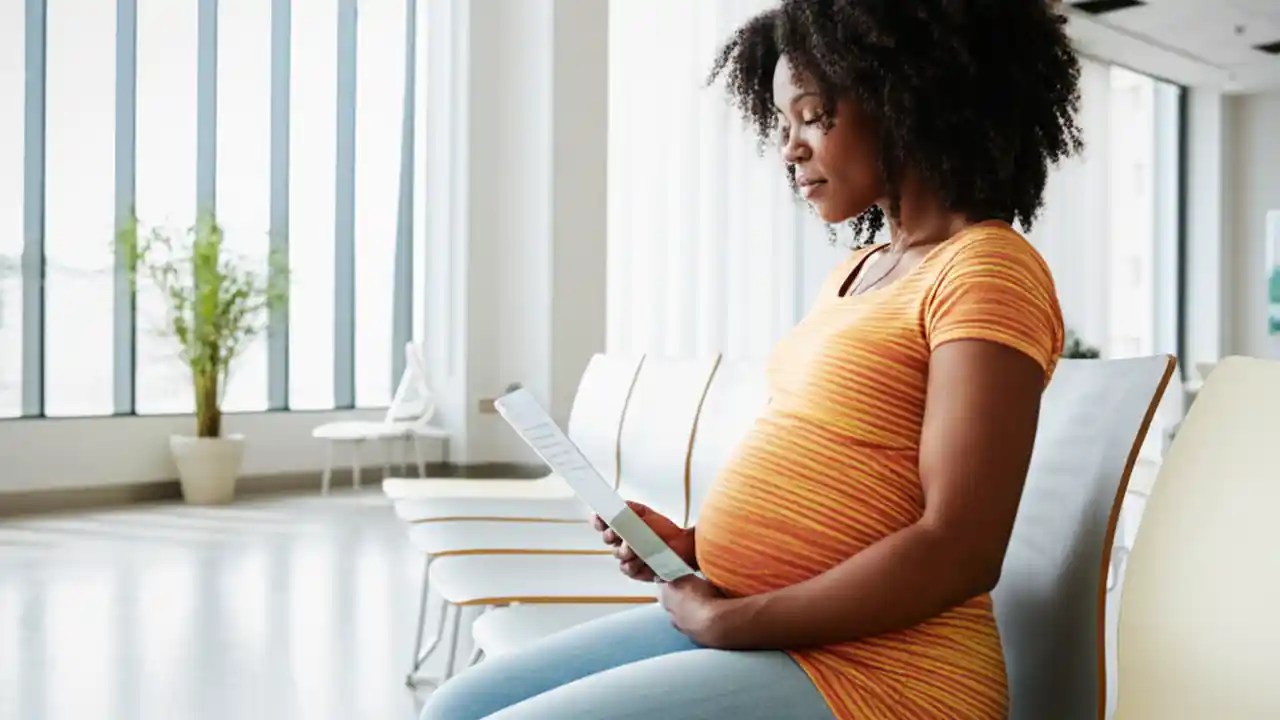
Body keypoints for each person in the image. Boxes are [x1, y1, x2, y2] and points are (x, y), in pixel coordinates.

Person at [422, 0, 1079, 717]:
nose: (790, 147)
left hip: (887, 673)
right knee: (456, 707)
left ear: (906, 97)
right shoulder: (859, 271)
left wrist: (733, 621)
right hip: (772, 626)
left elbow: (960, 547)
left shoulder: (986, 269)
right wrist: (694, 545)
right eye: (783, 124)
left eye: (813, 114)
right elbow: (850, 481)